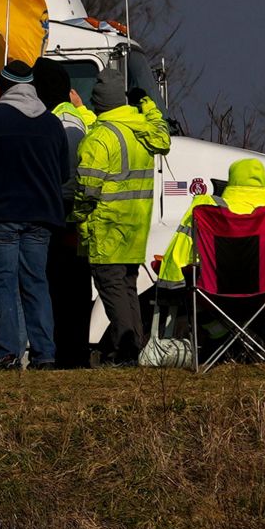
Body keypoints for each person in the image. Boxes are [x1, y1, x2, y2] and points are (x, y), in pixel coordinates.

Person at [0, 61, 70, 370]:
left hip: (0, 216)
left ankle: (7, 355)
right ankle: (45, 356)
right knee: (36, 284)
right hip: (42, 218)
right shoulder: (52, 123)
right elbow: (63, 173)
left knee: (3, 285)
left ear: (2, 88)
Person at [156, 157, 265, 336]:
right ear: (264, 181)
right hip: (263, 294)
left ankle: (215, 327)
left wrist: (169, 288)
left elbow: (179, 249)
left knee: (190, 273)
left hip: (211, 292)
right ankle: (251, 331)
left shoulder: (204, 210)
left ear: (231, 181)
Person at [70, 66, 171, 365]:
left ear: (99, 102)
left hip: (107, 229)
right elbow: (162, 133)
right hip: (135, 228)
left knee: (112, 290)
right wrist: (147, 103)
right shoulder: (142, 130)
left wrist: (76, 215)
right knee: (127, 288)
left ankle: (126, 349)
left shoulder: (99, 139)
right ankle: (133, 348)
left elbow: (87, 190)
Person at [32, 57, 93, 369]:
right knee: (75, 289)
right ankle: (74, 352)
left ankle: (67, 353)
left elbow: (61, 175)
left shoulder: (59, 122)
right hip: (75, 215)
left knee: (60, 288)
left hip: (62, 214)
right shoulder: (77, 117)